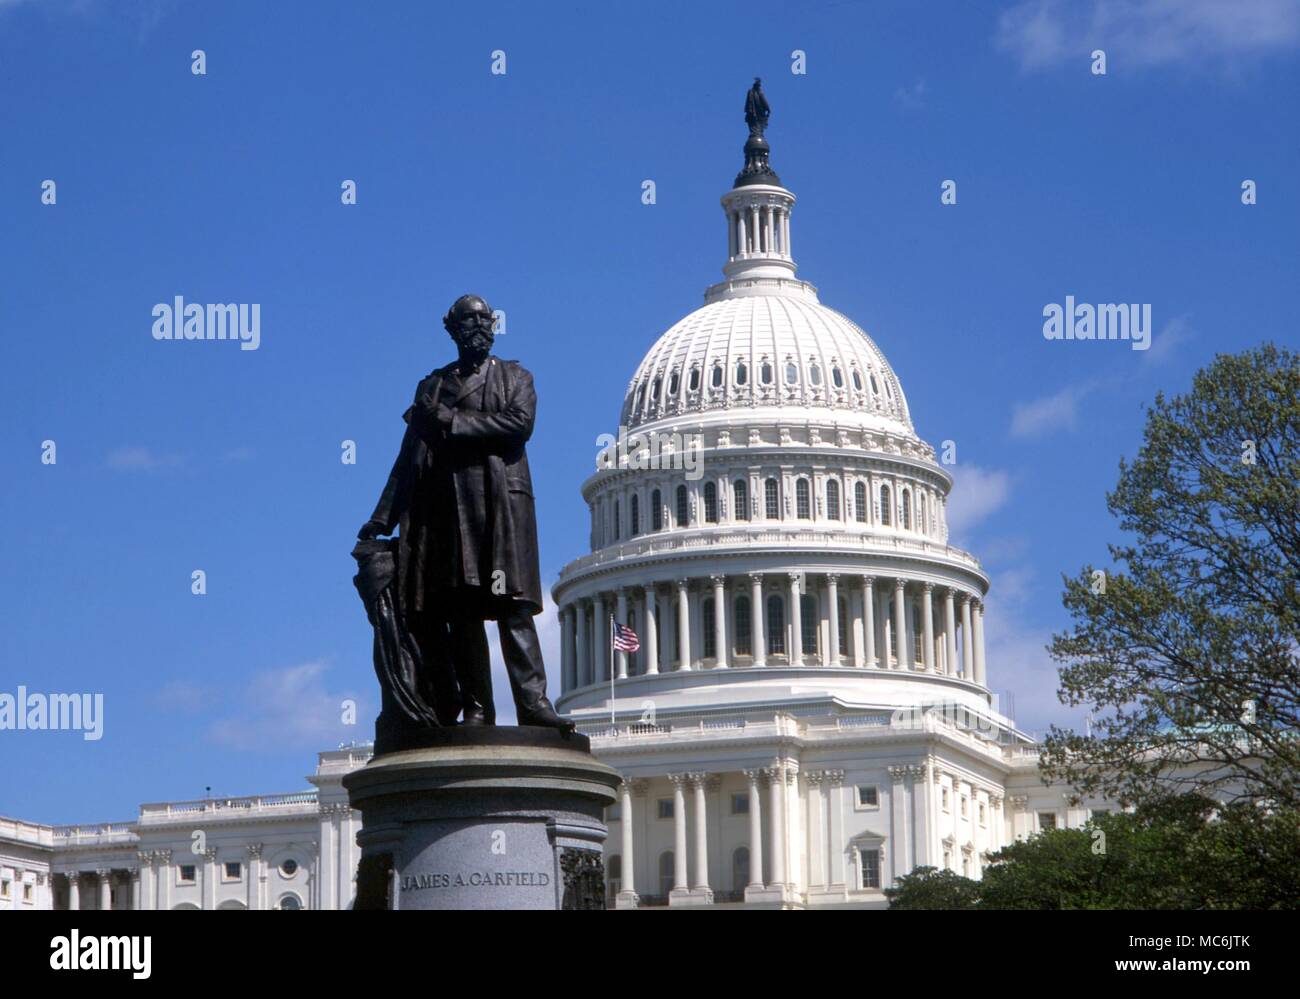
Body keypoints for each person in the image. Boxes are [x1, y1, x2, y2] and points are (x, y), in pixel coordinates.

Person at [359, 294, 571, 732]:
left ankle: (533, 704)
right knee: (464, 614)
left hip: (500, 509)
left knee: (513, 608)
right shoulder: (432, 386)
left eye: (484, 319)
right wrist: (382, 517)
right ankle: (477, 708)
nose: (479, 327)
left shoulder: (515, 377)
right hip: (449, 514)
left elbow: (517, 425)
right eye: (468, 321)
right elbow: (409, 457)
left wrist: (450, 422)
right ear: (452, 329)